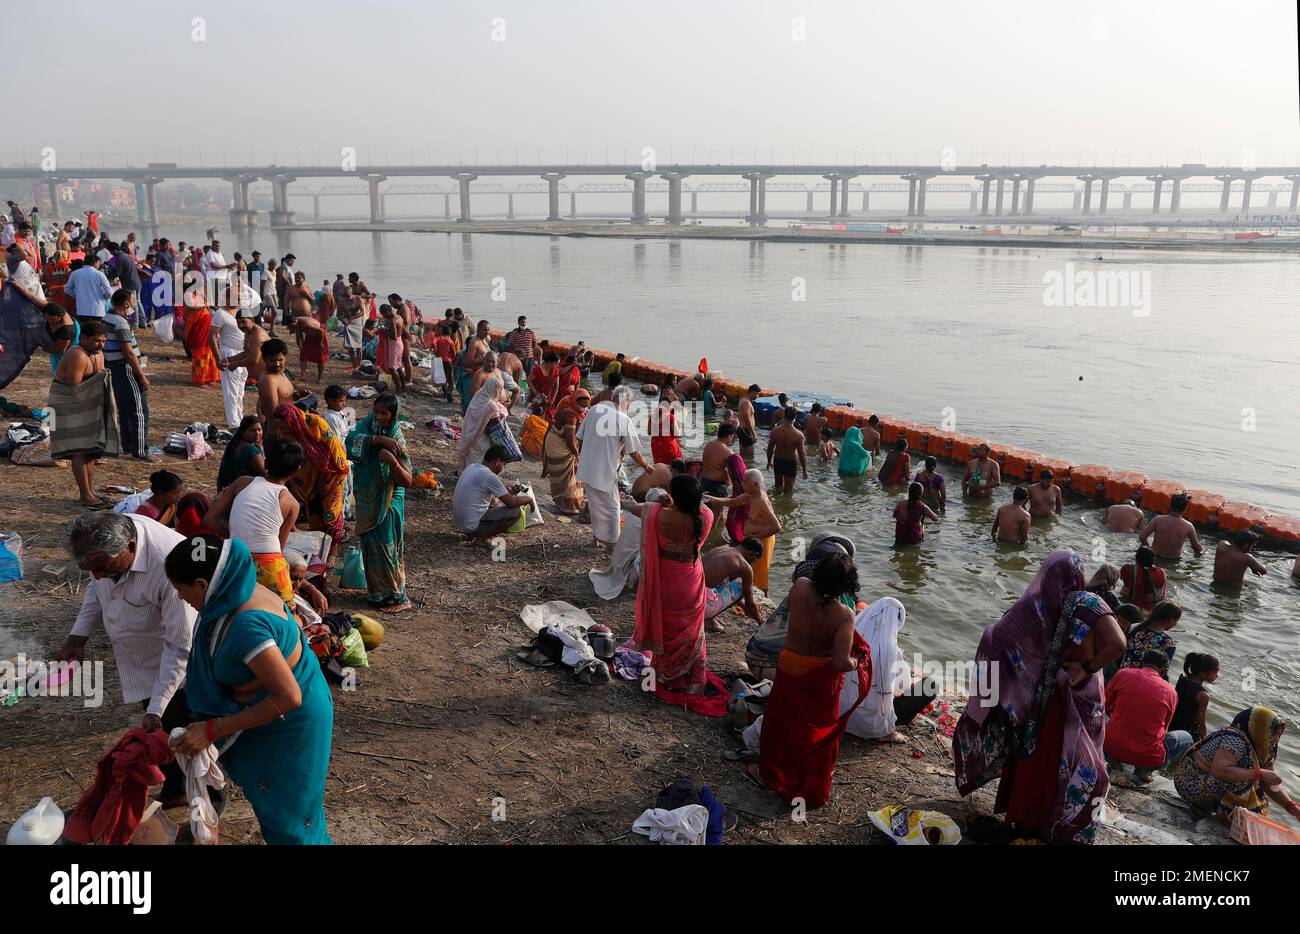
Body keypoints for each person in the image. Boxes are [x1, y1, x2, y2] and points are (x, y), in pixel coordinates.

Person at [166, 535, 333, 844]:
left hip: (288, 722)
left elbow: (289, 696)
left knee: (292, 819)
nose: (179, 597)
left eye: (180, 589)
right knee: (282, 810)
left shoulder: (246, 627)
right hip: (268, 713)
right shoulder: (236, 589)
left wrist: (213, 728)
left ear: (203, 584)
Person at [952, 550, 1126, 844]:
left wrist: (1012, 686)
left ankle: (1028, 821)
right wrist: (1087, 667)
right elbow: (1118, 643)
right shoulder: (1087, 603)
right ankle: (1057, 826)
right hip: (1073, 695)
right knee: (1075, 761)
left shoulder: (1034, 606)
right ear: (1078, 575)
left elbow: (996, 637)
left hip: (1037, 704)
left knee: (1039, 758)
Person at [57, 513, 203, 811]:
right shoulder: (103, 550)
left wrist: (156, 707)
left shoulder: (169, 564)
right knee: (167, 732)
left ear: (131, 547)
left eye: (102, 568)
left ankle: (198, 800)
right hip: (148, 655)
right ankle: (176, 789)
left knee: (182, 728)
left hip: (183, 663)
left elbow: (180, 645)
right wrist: (78, 636)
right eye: (90, 569)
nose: (97, 576)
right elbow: (96, 589)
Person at [757, 553, 871, 807]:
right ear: (846, 585)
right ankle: (806, 785)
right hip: (819, 682)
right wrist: (858, 662)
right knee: (815, 733)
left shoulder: (799, 589)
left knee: (782, 724)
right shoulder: (844, 615)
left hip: (789, 666)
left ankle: (771, 773)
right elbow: (841, 662)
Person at [634, 474, 721, 705]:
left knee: (665, 625)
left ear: (674, 496)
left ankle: (663, 676)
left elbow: (634, 507)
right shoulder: (706, 516)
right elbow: (698, 507)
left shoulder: (659, 514)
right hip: (690, 578)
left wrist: (661, 502)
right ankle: (695, 681)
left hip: (664, 578)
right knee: (692, 629)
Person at [204, 438, 304, 604]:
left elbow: (209, 520)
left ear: (265, 463)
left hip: (236, 559)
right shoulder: (291, 502)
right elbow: (279, 547)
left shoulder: (242, 483)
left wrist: (236, 536)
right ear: (295, 472)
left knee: (234, 609)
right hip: (270, 564)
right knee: (286, 614)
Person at [1172, 706, 1300, 823]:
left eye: (1278, 735)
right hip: (1189, 781)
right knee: (1244, 779)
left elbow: (1269, 784)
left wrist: (1291, 807)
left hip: (1208, 785)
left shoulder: (1264, 749)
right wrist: (1259, 773)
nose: (1276, 739)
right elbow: (1220, 771)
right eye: (1273, 733)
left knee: (1255, 781)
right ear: (1260, 728)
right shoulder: (1235, 739)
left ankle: (1235, 820)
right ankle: (1225, 819)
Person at [347, 395, 414, 613]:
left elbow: (408, 479)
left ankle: (399, 596)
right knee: (371, 545)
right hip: (367, 496)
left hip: (389, 498)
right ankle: (378, 594)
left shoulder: (397, 438)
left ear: (394, 415)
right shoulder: (368, 425)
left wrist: (392, 461)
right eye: (376, 411)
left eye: (384, 413)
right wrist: (377, 441)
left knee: (388, 548)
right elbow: (350, 442)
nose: (378, 416)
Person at [842, 597, 933, 742]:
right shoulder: (889, 649)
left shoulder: (854, 634)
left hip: (843, 716)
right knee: (930, 685)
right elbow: (900, 687)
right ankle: (886, 733)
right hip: (870, 726)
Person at [50, 320, 118, 506]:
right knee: (80, 450)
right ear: (84, 338)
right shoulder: (77, 355)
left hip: (88, 404)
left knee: (90, 451)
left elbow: (98, 378)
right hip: (71, 404)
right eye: (96, 341)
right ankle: (85, 495)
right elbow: (74, 387)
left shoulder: (98, 353)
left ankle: (90, 492)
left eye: (103, 341)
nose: (100, 345)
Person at [273, 403, 349, 567]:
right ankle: (320, 552)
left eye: (284, 427)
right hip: (306, 479)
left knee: (331, 514)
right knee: (314, 514)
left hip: (331, 475)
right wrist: (293, 482)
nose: (282, 432)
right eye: (278, 427)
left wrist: (326, 477)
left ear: (293, 421)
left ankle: (333, 553)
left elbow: (334, 450)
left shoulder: (315, 425)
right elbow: (288, 459)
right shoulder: (285, 433)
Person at [576, 386, 653, 549]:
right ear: (626, 402)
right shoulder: (624, 420)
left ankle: (596, 538)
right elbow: (634, 452)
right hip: (604, 471)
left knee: (595, 504)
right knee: (612, 507)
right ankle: (612, 544)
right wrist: (647, 467)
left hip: (587, 466)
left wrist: (580, 458)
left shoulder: (595, 409)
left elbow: (580, 437)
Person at [1105, 650, 1192, 782]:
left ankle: (1113, 761)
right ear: (1164, 671)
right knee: (1186, 737)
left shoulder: (1123, 674)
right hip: (1148, 756)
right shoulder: (1171, 692)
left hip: (1110, 746)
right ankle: (1144, 770)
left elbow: (1104, 705)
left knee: (1108, 721)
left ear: (1141, 663)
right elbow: (1165, 728)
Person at [705, 468, 781, 592]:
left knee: (759, 575)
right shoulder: (750, 495)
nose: (742, 484)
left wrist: (755, 538)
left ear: (755, 485)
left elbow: (776, 526)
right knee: (746, 571)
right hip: (752, 540)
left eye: (745, 482)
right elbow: (731, 502)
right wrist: (712, 499)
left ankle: (763, 598)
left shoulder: (761, 501)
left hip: (762, 541)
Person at [102, 289, 155, 462]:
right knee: (139, 412)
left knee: (124, 409)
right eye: (132, 301)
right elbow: (128, 352)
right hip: (126, 368)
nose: (134, 304)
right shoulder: (120, 323)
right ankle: (140, 451)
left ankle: (128, 446)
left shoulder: (107, 317)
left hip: (114, 368)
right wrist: (141, 375)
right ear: (125, 303)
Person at [452, 445, 534, 541]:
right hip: (471, 526)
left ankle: (476, 533)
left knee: (495, 501)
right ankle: (483, 538)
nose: (503, 468)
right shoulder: (490, 476)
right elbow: (512, 503)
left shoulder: (472, 467)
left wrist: (508, 490)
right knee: (516, 511)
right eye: (504, 464)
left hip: (460, 523)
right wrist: (529, 499)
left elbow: (490, 493)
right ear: (497, 462)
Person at [460, 353, 519, 470]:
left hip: (495, 413)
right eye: (488, 361)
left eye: (493, 361)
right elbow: (474, 397)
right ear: (484, 361)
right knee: (481, 448)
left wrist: (506, 399)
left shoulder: (498, 372)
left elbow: (501, 389)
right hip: (485, 418)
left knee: (489, 449)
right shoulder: (480, 374)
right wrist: (490, 409)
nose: (491, 364)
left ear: (498, 361)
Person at [701, 537, 765, 632]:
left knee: (725, 581)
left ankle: (710, 616)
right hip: (701, 604)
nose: (751, 563)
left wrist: (743, 607)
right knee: (740, 584)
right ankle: (709, 620)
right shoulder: (744, 566)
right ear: (752, 554)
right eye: (753, 560)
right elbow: (750, 603)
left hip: (691, 592)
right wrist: (761, 622)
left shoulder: (723, 548)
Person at [212, 307, 254, 429]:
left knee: (240, 390)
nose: (241, 324)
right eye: (239, 322)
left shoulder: (241, 311)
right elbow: (212, 336)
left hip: (243, 354)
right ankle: (234, 423)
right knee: (231, 391)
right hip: (229, 352)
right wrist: (218, 358)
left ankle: (239, 419)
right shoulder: (221, 313)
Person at [541, 406, 585, 515]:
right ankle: (568, 506)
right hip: (559, 448)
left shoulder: (564, 409)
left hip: (553, 444)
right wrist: (577, 454)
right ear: (575, 402)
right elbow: (570, 441)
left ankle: (562, 502)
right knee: (568, 476)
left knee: (562, 475)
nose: (585, 408)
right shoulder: (571, 416)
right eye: (582, 404)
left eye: (587, 405)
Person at [1119, 600, 1181, 671]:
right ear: (1171, 620)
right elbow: (1163, 672)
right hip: (1141, 681)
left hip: (1121, 674)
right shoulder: (1168, 643)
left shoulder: (1133, 627)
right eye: (1176, 620)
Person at [1171, 653, 1220, 743]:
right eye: (1215, 673)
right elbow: (1201, 720)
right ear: (1203, 673)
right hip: (1185, 732)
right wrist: (1203, 738)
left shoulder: (1182, 680)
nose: (1217, 676)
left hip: (1171, 724)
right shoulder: (1203, 695)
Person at [1139, 493, 1203, 559]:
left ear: (1170, 506)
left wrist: (1149, 550)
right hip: (1174, 559)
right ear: (1185, 509)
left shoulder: (1158, 519)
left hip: (1156, 556)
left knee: (1149, 540)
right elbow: (1196, 548)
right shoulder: (1189, 526)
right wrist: (1202, 550)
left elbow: (1142, 537)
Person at [258, 340, 297, 437]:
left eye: (280, 360)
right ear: (264, 359)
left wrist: (297, 396)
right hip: (278, 435)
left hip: (288, 431)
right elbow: (273, 416)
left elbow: (283, 400)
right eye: (272, 360)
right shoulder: (269, 381)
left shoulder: (280, 373)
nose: (277, 364)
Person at [217, 416, 267, 491]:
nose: (257, 433)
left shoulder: (236, 444)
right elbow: (265, 474)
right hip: (244, 491)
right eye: (252, 430)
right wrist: (261, 450)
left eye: (259, 429)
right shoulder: (250, 450)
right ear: (243, 433)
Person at [766, 406, 807, 496]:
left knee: (777, 487)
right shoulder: (799, 435)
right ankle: (786, 508)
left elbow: (770, 449)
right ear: (795, 417)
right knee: (788, 490)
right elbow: (802, 454)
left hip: (778, 460)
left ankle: (775, 506)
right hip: (790, 462)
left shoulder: (775, 431)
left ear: (784, 416)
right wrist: (804, 469)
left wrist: (769, 462)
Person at [182, 294, 221, 387]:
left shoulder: (201, 294)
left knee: (210, 351)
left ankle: (210, 377)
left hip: (206, 323)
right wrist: (202, 305)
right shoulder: (188, 294)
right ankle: (199, 380)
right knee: (200, 353)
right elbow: (189, 307)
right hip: (197, 326)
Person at [1120, 544, 1166, 610]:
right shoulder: (1160, 572)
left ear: (1136, 558)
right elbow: (1161, 593)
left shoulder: (1127, 569)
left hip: (1129, 605)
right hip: (1151, 608)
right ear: (1154, 559)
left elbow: (1121, 578)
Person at [894, 481, 940, 546]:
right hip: (915, 538)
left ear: (909, 492)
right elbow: (935, 519)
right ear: (921, 494)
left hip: (900, 536)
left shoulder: (900, 504)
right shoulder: (922, 507)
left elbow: (895, 515)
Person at [39, 301, 79, 374]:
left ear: (60, 316)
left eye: (52, 319)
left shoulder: (65, 330)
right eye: (47, 319)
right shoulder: (60, 312)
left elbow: (60, 350)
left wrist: (45, 348)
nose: (50, 322)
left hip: (67, 358)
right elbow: (35, 299)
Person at [376, 303, 406, 393]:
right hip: (399, 342)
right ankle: (403, 386)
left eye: (384, 314)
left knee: (392, 368)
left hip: (394, 343)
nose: (383, 316)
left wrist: (383, 331)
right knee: (399, 366)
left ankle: (398, 388)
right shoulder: (399, 317)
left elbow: (393, 336)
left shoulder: (393, 320)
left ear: (388, 312)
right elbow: (404, 331)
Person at [650, 386, 684, 464]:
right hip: (668, 445)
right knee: (674, 467)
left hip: (656, 446)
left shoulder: (653, 416)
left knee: (660, 467)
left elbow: (649, 432)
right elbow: (676, 434)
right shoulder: (670, 417)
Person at [736, 384, 760, 462]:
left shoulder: (743, 400)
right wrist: (753, 433)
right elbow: (747, 418)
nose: (758, 396)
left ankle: (742, 470)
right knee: (750, 456)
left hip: (742, 429)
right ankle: (748, 470)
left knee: (743, 455)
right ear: (752, 392)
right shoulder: (746, 402)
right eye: (757, 394)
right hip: (746, 431)